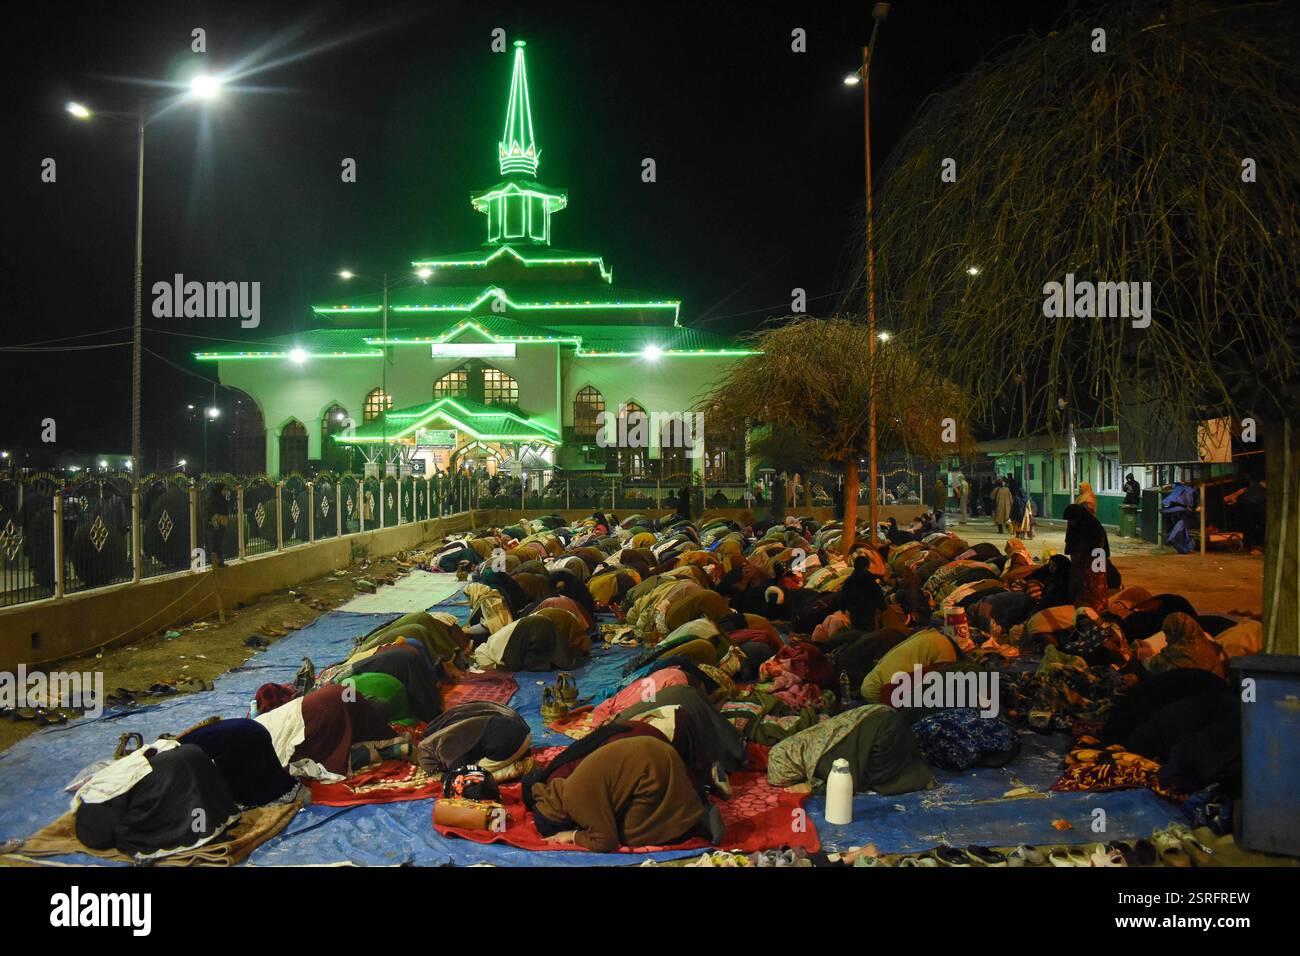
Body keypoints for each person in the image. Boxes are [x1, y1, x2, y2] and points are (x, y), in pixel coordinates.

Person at [530, 735, 721, 851]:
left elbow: (605, 841)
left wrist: (572, 836)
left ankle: (694, 826)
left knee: (630, 836)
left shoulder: (574, 799)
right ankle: (693, 812)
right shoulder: (569, 783)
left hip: (652, 768)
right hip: (657, 751)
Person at [1064, 503, 1110, 611]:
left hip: (1095, 562)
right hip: (1082, 564)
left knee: (1094, 588)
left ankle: (1096, 611)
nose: (1070, 522)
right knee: (1079, 587)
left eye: (1071, 519)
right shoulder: (1076, 527)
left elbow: (1097, 547)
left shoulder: (1093, 528)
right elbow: (1071, 545)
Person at [204, 481, 230, 568]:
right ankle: (215, 563)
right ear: (219, 490)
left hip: (222, 525)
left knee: (220, 544)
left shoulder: (222, 499)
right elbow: (213, 514)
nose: (226, 492)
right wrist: (216, 526)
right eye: (224, 490)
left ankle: (220, 562)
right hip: (217, 525)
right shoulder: (215, 500)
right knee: (216, 544)